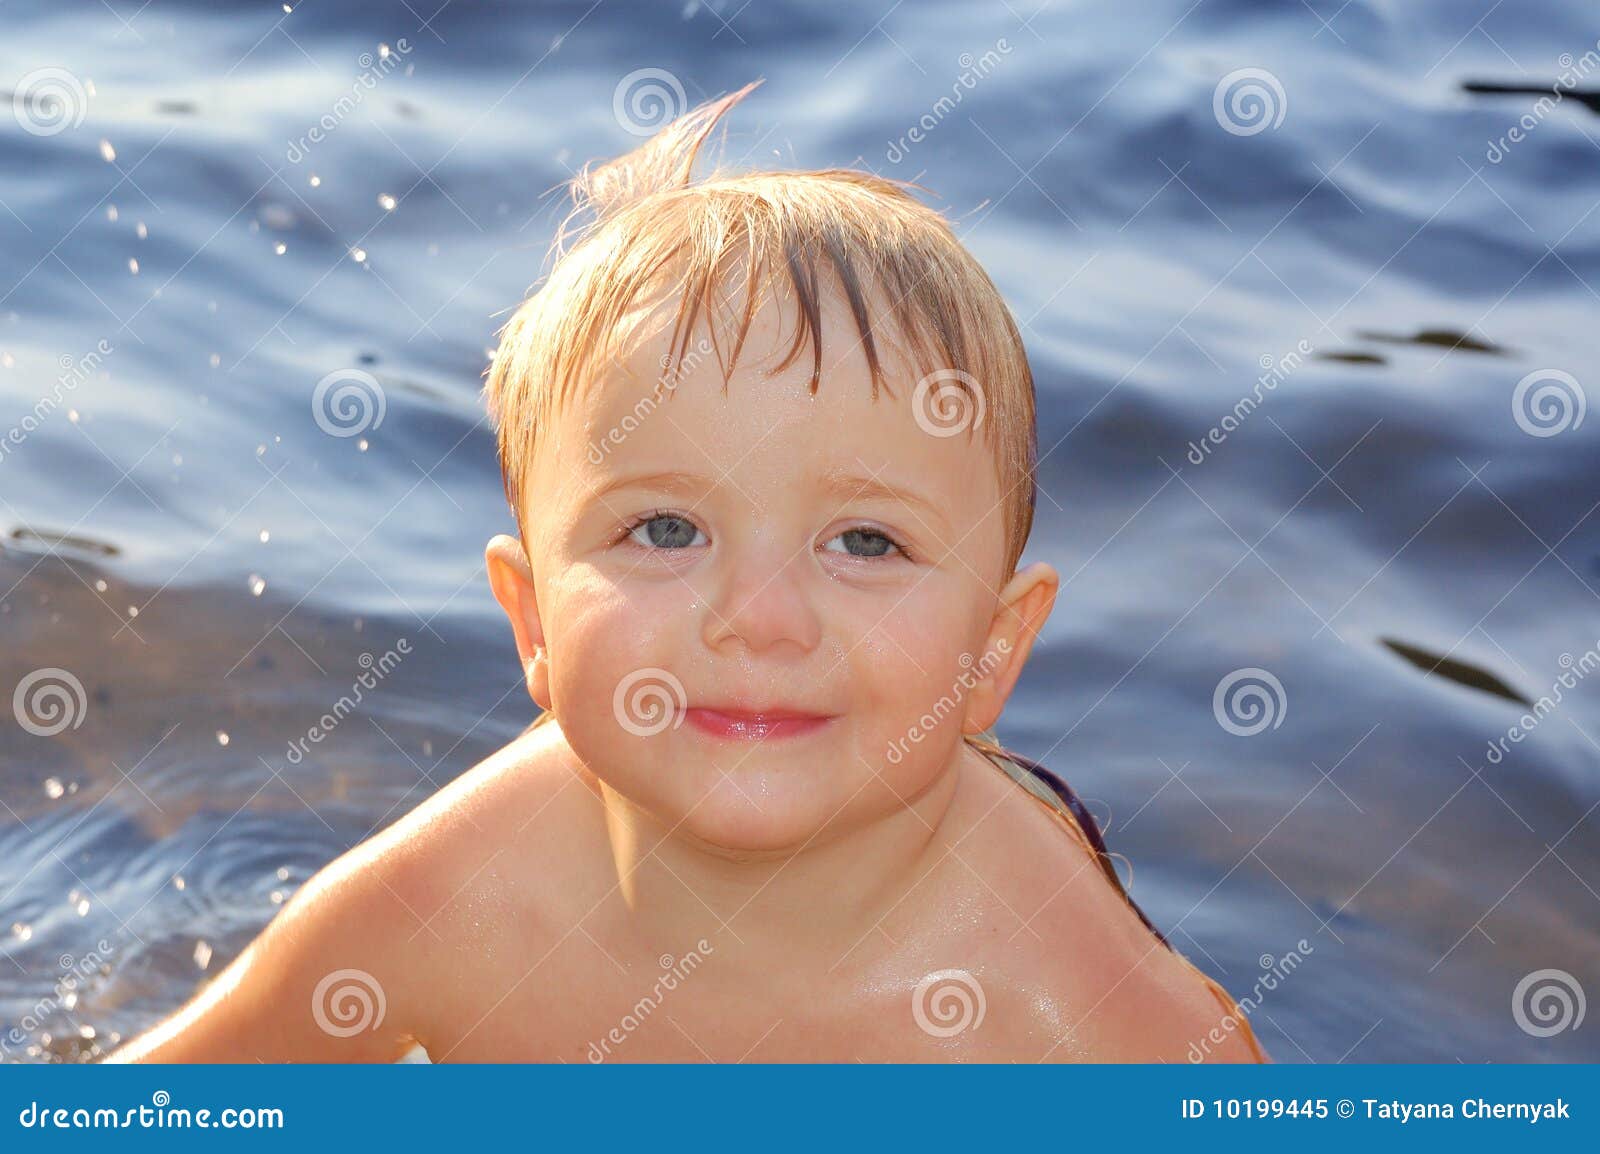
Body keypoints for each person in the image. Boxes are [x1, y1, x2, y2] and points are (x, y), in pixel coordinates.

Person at [108, 83, 1266, 1063]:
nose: (758, 619)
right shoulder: (463, 896)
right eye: (664, 529)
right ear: (531, 622)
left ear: (993, 653)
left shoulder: (1060, 997)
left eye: (866, 542)